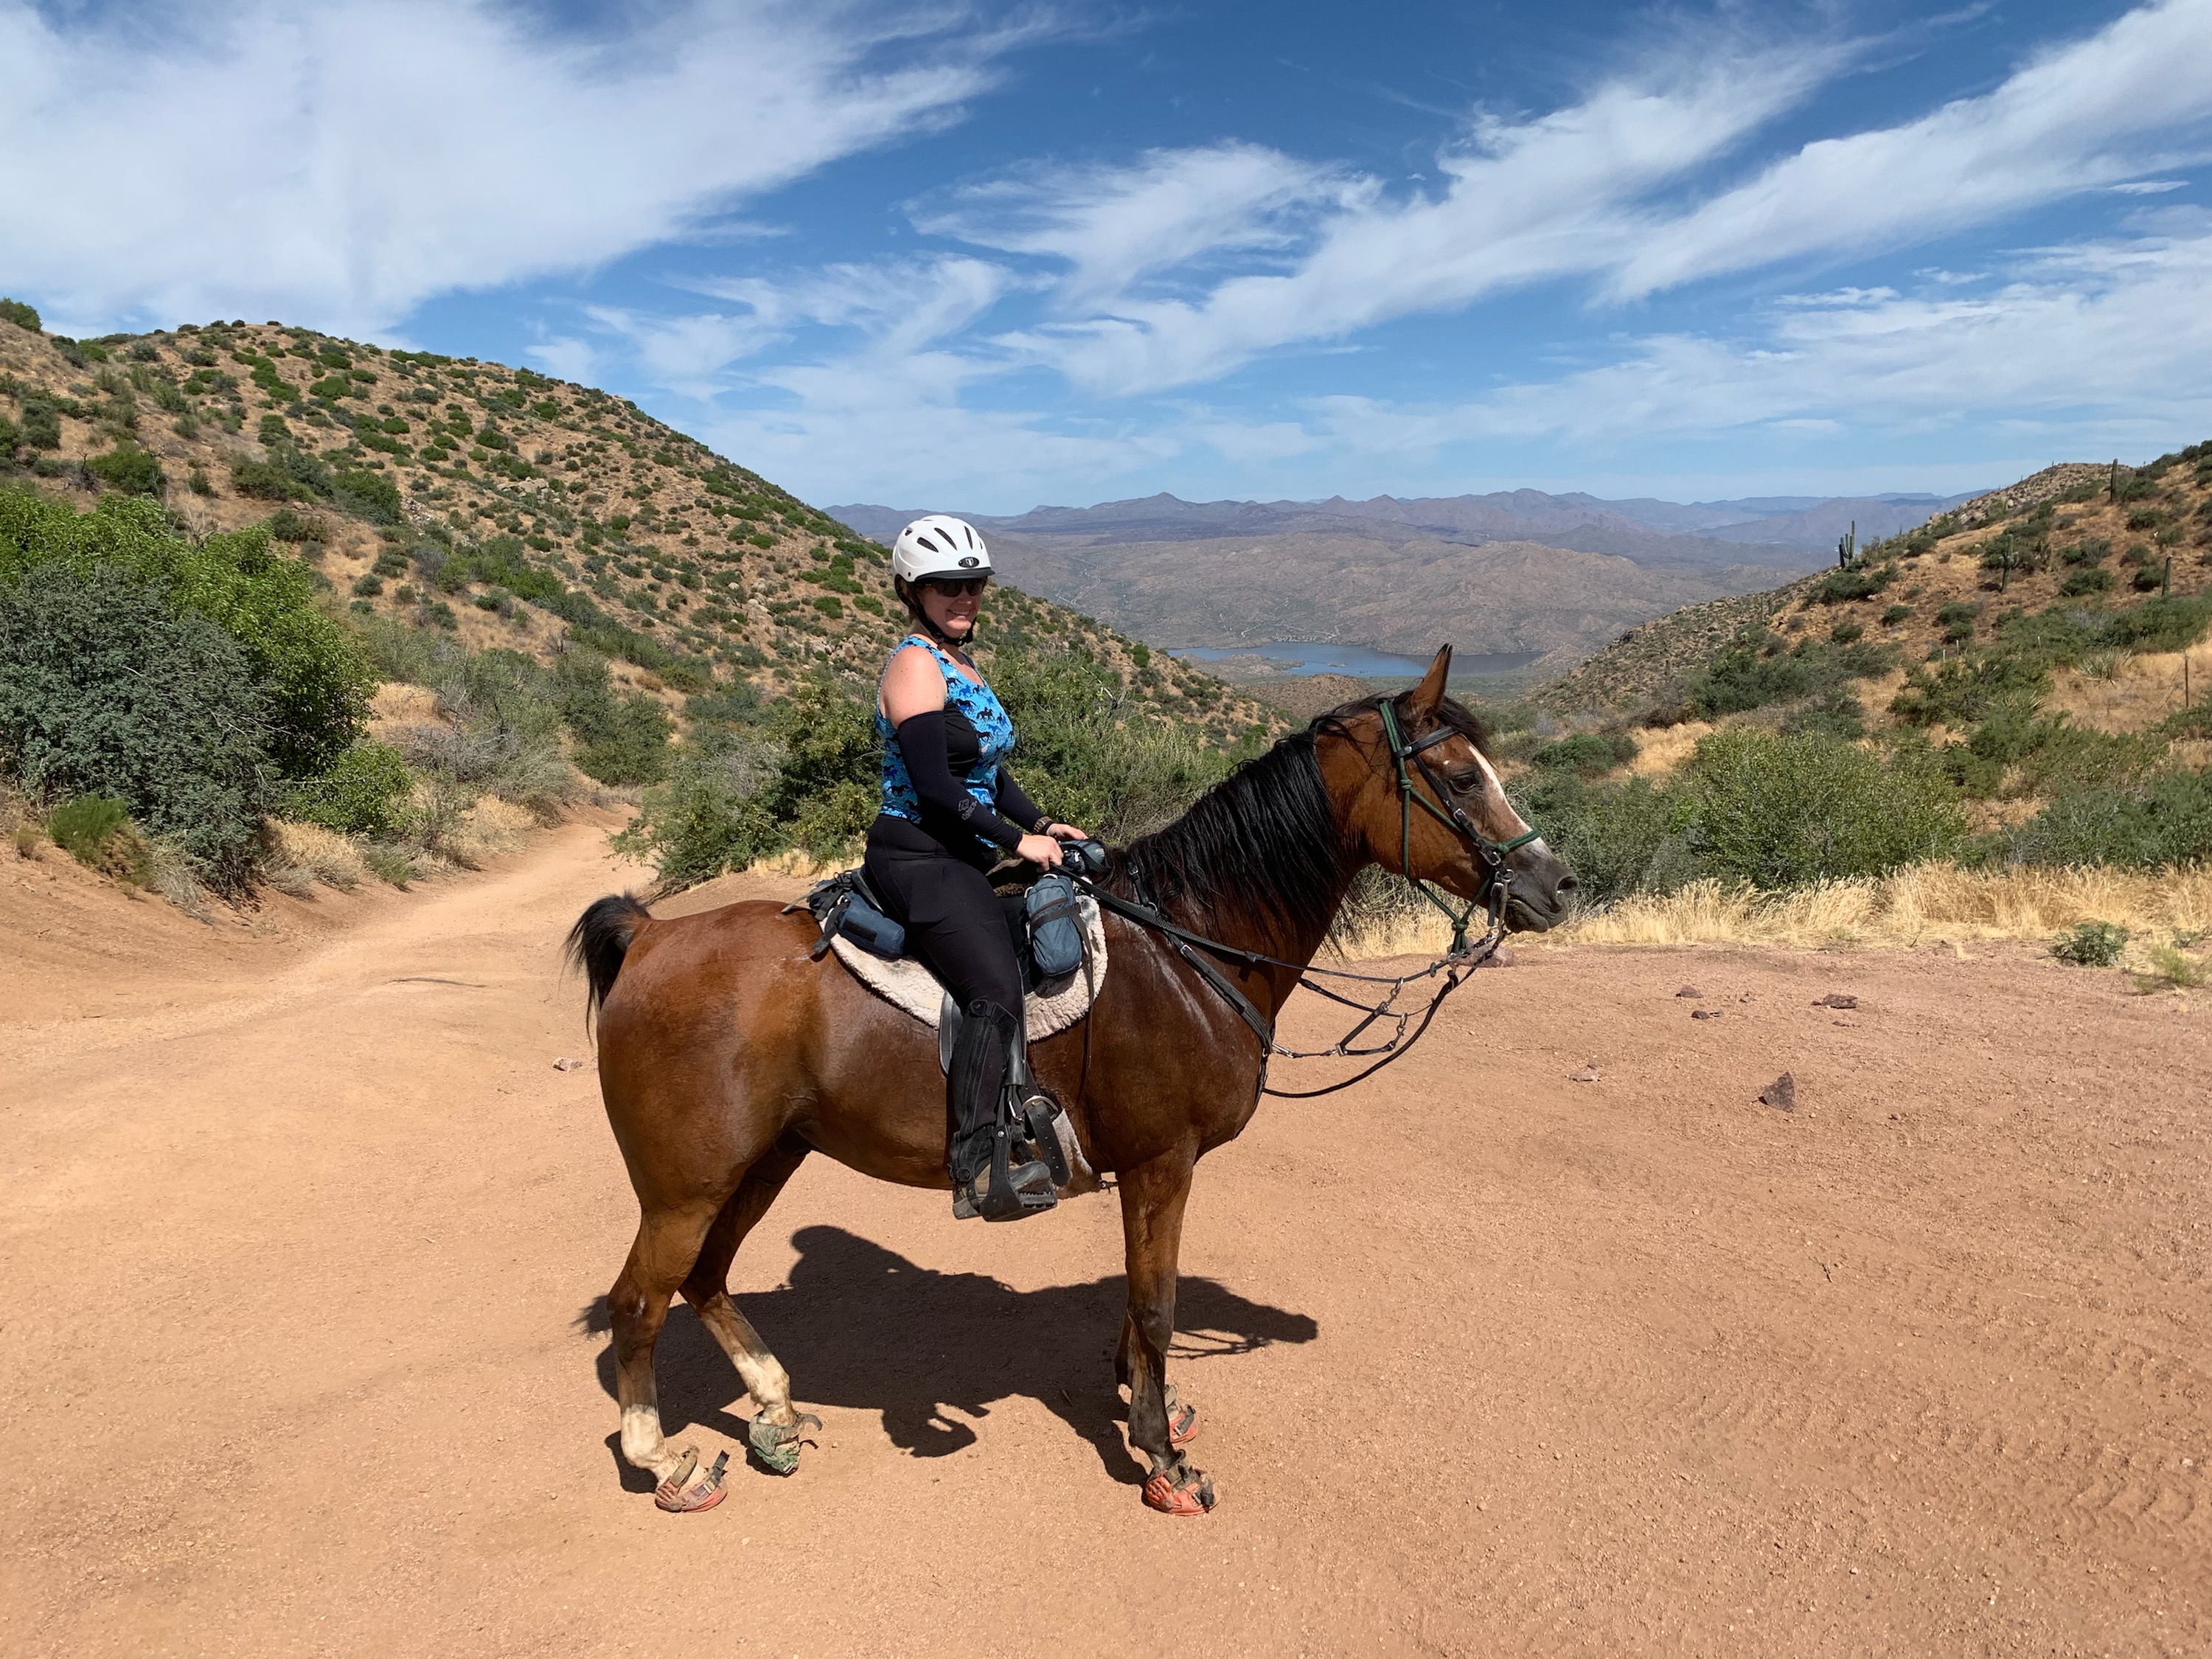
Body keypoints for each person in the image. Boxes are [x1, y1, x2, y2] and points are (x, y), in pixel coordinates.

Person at [863, 515, 1089, 1221]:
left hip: (961, 852)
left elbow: (990, 771)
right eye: (947, 586)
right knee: (993, 984)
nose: (964, 597)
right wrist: (1015, 844)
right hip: (917, 853)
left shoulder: (961, 663)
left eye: (974, 585)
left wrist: (1043, 823)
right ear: (913, 589)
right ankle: (976, 1164)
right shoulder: (914, 664)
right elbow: (935, 785)